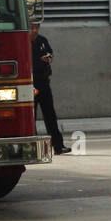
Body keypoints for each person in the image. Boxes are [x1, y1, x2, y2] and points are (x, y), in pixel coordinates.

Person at [30, 22, 67, 155]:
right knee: (30, 115)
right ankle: (33, 148)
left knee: (50, 114)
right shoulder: (22, 41)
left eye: (36, 28)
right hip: (30, 83)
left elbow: (50, 55)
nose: (34, 30)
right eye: (31, 28)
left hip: (43, 82)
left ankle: (58, 145)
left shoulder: (42, 40)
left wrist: (48, 58)